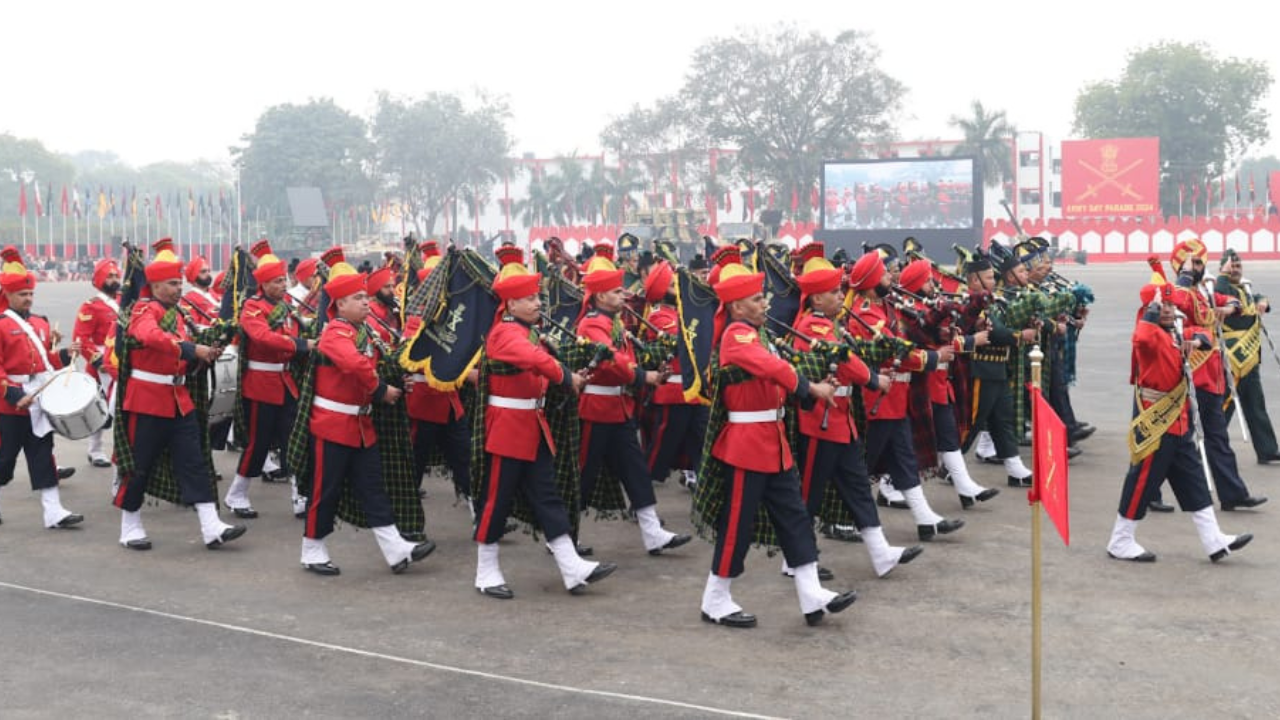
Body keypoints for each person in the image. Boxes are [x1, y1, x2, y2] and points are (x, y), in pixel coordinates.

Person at [695, 261, 856, 629]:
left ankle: (812, 595)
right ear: (737, 306)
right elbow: (769, 367)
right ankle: (715, 598)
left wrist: (814, 381)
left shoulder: (759, 333)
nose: (765, 303)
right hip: (746, 445)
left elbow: (780, 369)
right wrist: (811, 388)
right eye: (756, 299)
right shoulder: (736, 335)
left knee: (796, 518)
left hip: (773, 441)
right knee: (737, 525)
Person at [472, 251, 616, 599]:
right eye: (529, 298)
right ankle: (485, 571)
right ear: (510, 304)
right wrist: (565, 376)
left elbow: (540, 365)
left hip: (532, 425)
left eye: (537, 296)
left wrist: (570, 374)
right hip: (507, 429)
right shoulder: (505, 333)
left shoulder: (528, 331)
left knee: (548, 497)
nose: (538, 303)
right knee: (497, 500)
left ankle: (571, 567)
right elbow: (533, 359)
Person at [299, 259, 434, 576]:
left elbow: (377, 365)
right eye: (358, 298)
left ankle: (395, 549)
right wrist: (381, 389)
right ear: (340, 304)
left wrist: (397, 380)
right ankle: (312, 549)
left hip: (361, 425)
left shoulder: (364, 332)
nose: (365, 302)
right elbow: (356, 365)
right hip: (333, 425)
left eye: (365, 297)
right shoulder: (335, 332)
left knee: (374, 488)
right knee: (325, 490)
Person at [792, 255, 924, 577]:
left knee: (859, 489)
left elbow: (855, 354)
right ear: (816, 299)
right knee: (809, 494)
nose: (842, 295)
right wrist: (872, 378)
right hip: (820, 422)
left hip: (841, 420)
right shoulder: (813, 326)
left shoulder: (831, 324)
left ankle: (881, 553)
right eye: (834, 292)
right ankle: (794, 561)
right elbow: (845, 360)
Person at [1108, 277, 1252, 563]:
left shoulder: (1175, 332)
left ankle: (1213, 540)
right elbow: (1143, 338)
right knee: (1142, 482)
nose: (1168, 309)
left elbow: (1205, 334)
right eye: (1161, 305)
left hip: (1179, 421)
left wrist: (1195, 341)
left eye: (1170, 304)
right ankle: (1120, 540)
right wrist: (1152, 310)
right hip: (1157, 423)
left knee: (1194, 481)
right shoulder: (1149, 333)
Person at [113, 242, 244, 550]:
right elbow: (149, 336)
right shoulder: (143, 310)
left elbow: (184, 351)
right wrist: (191, 349)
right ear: (155, 285)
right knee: (139, 465)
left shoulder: (179, 314)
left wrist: (205, 353)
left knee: (194, 461)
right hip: (147, 400)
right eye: (172, 283)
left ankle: (211, 526)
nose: (178, 288)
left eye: (179, 283)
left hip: (178, 398)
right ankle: (130, 526)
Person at [576, 256, 691, 556]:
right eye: (616, 292)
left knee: (637, 471)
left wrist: (653, 367)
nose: (623, 295)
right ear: (600, 296)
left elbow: (628, 359)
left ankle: (653, 533)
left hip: (620, 408)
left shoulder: (614, 323)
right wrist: (643, 376)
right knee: (583, 475)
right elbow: (611, 361)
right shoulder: (591, 324)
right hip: (597, 409)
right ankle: (562, 536)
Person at [846, 252, 965, 541]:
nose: (891, 277)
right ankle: (843, 519)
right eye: (885, 274)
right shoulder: (866, 314)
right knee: (862, 464)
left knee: (905, 461)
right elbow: (892, 350)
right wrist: (932, 358)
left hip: (896, 398)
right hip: (877, 400)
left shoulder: (887, 306)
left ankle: (926, 520)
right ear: (872, 283)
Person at [1152, 239, 1267, 513]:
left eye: (1200, 262)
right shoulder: (1176, 291)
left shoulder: (1206, 291)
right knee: (1173, 440)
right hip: (1189, 377)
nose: (1198, 267)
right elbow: (1178, 302)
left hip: (1212, 378)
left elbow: (1234, 302)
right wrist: (1184, 275)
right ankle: (1148, 491)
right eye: (1192, 263)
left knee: (1217, 438)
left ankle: (1232, 493)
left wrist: (1228, 308)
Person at [225, 246, 313, 518]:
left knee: (294, 441)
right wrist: (301, 345)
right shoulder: (252, 307)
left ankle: (300, 496)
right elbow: (263, 337)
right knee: (258, 443)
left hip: (286, 381)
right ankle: (237, 494)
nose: (283, 285)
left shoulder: (286, 307)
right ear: (262, 284)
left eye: (284, 280)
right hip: (261, 385)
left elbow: (297, 331)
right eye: (276, 281)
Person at [0, 246, 84, 528]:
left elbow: (45, 361)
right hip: (9, 405)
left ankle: (54, 513)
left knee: (43, 456)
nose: (27, 298)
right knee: (4, 461)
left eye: (30, 294)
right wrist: (14, 394)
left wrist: (65, 354)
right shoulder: (1, 325)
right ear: (7, 294)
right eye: (22, 294)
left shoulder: (39, 323)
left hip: (38, 401)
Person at [642, 260, 706, 491]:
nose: (678, 289)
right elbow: (683, 338)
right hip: (674, 391)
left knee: (700, 441)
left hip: (694, 391)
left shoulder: (681, 312)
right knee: (663, 445)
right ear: (662, 293)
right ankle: (644, 486)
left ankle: (700, 482)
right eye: (672, 286)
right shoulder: (660, 316)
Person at [1215, 249, 1280, 464]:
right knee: (1223, 408)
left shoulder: (1245, 289)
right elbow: (1221, 293)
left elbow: (1257, 298)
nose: (1235, 270)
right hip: (1231, 361)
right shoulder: (1220, 289)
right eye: (1231, 267)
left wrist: (1263, 301)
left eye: (1238, 266)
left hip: (1250, 360)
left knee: (1256, 407)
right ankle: (1213, 450)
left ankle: (1267, 450)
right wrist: (1223, 274)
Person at [74, 258, 122, 468]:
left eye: (116, 275)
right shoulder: (91, 306)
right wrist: (98, 360)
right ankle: (95, 450)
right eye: (110, 276)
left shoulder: (125, 301)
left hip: (122, 360)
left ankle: (121, 449)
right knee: (99, 410)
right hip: (101, 364)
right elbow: (81, 338)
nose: (114, 279)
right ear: (100, 279)